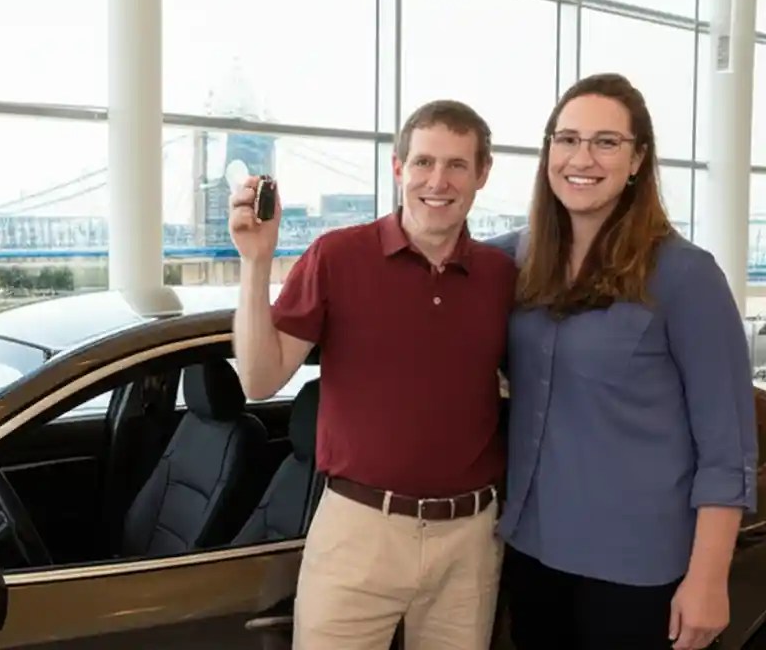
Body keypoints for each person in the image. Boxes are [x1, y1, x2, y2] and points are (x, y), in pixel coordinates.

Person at [230, 99, 517, 649]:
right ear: (398, 168)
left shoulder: (501, 277)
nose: (439, 180)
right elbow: (259, 380)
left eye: (458, 165)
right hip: (360, 531)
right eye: (425, 163)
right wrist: (255, 261)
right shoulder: (337, 257)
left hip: (470, 538)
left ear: (482, 174)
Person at [487, 72, 759, 650]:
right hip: (532, 551)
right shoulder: (515, 257)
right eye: (566, 139)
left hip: (639, 567)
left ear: (637, 160)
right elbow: (424, 253)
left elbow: (727, 446)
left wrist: (708, 579)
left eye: (606, 142)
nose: (581, 157)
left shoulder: (686, 276)